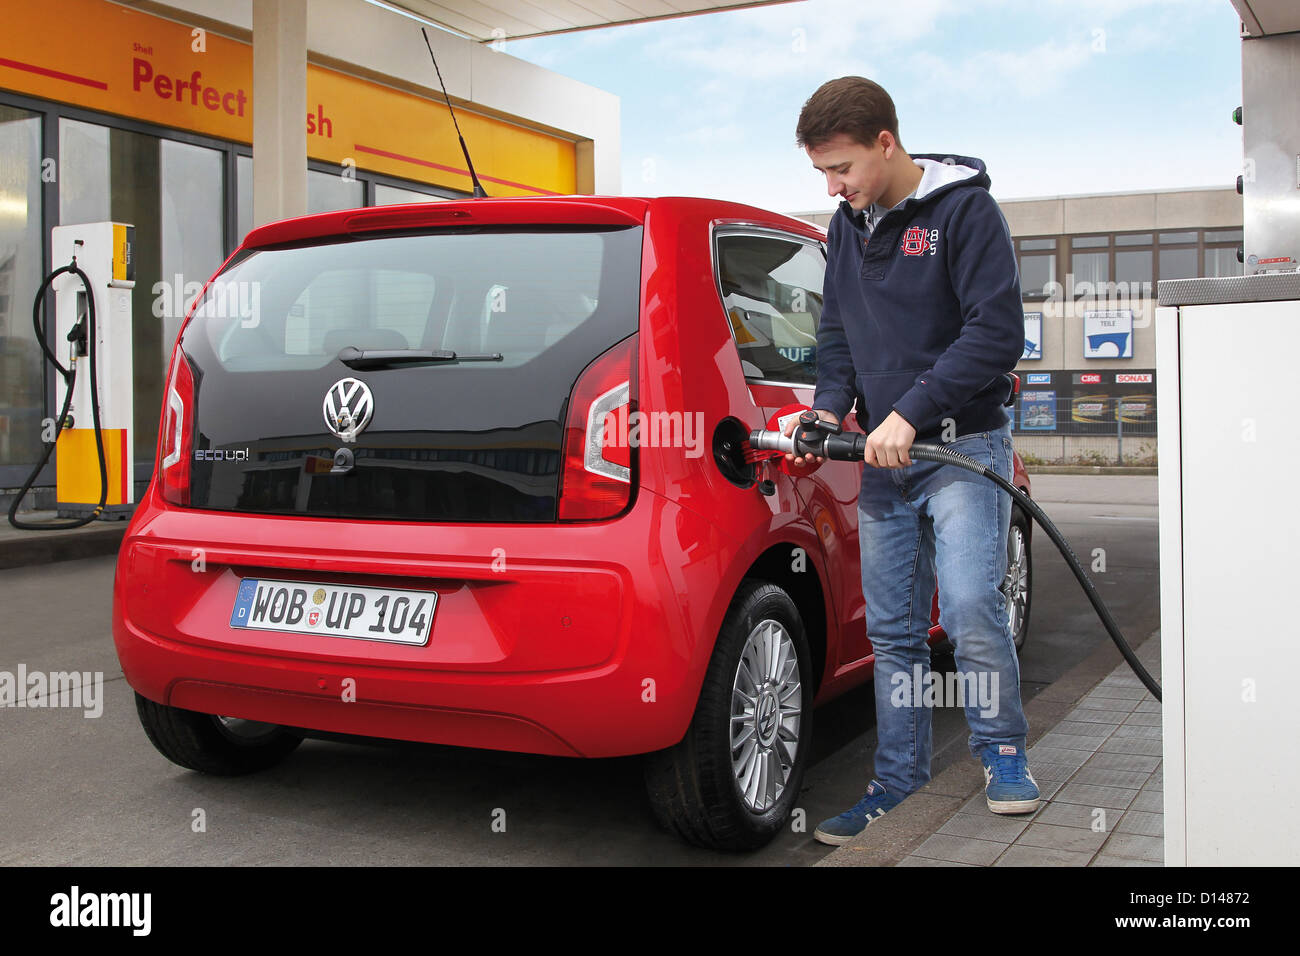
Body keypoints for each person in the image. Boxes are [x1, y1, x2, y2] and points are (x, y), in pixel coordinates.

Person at [786, 76, 1039, 846]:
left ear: (885, 144)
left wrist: (909, 410)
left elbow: (994, 335)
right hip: (884, 459)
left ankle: (1003, 754)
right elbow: (838, 338)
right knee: (893, 630)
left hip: (963, 447)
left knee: (967, 608)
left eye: (842, 168)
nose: (833, 186)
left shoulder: (966, 213)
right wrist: (830, 408)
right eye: (823, 173)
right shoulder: (848, 226)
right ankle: (898, 781)